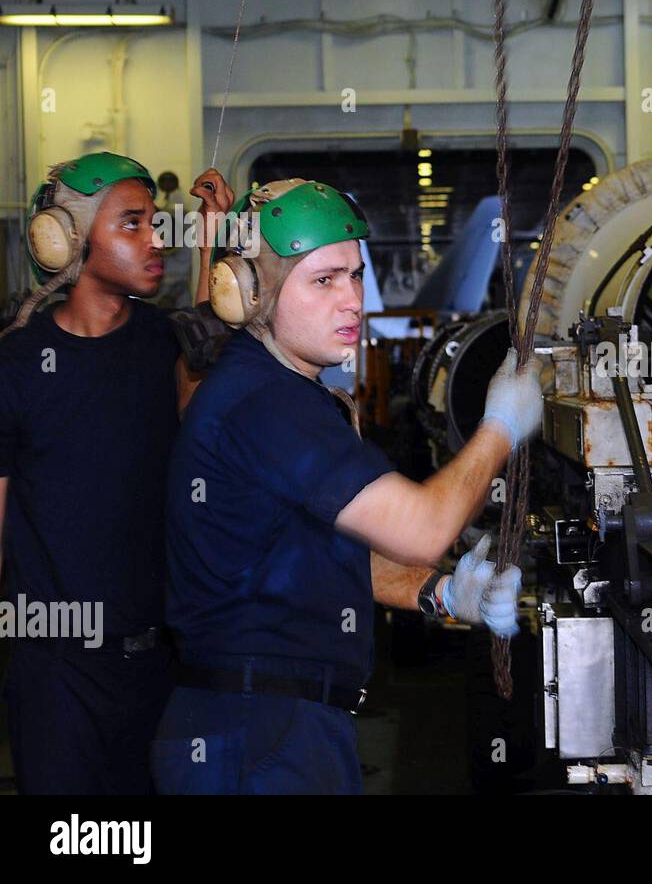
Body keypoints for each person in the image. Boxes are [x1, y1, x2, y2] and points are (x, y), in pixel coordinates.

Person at [154, 178, 540, 794]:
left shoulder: (282, 392)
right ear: (251, 293)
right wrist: (499, 428)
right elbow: (422, 529)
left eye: (355, 275)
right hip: (258, 736)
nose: (354, 300)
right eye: (324, 280)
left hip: (277, 727)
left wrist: (441, 594)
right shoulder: (266, 405)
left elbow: (320, 558)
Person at [0, 152, 233, 793]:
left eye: (157, 222)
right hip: (56, 673)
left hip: (158, 662)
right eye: (132, 223)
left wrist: (212, 231)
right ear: (67, 239)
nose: (158, 239)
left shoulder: (162, 343)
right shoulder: (17, 365)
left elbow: (204, 362)